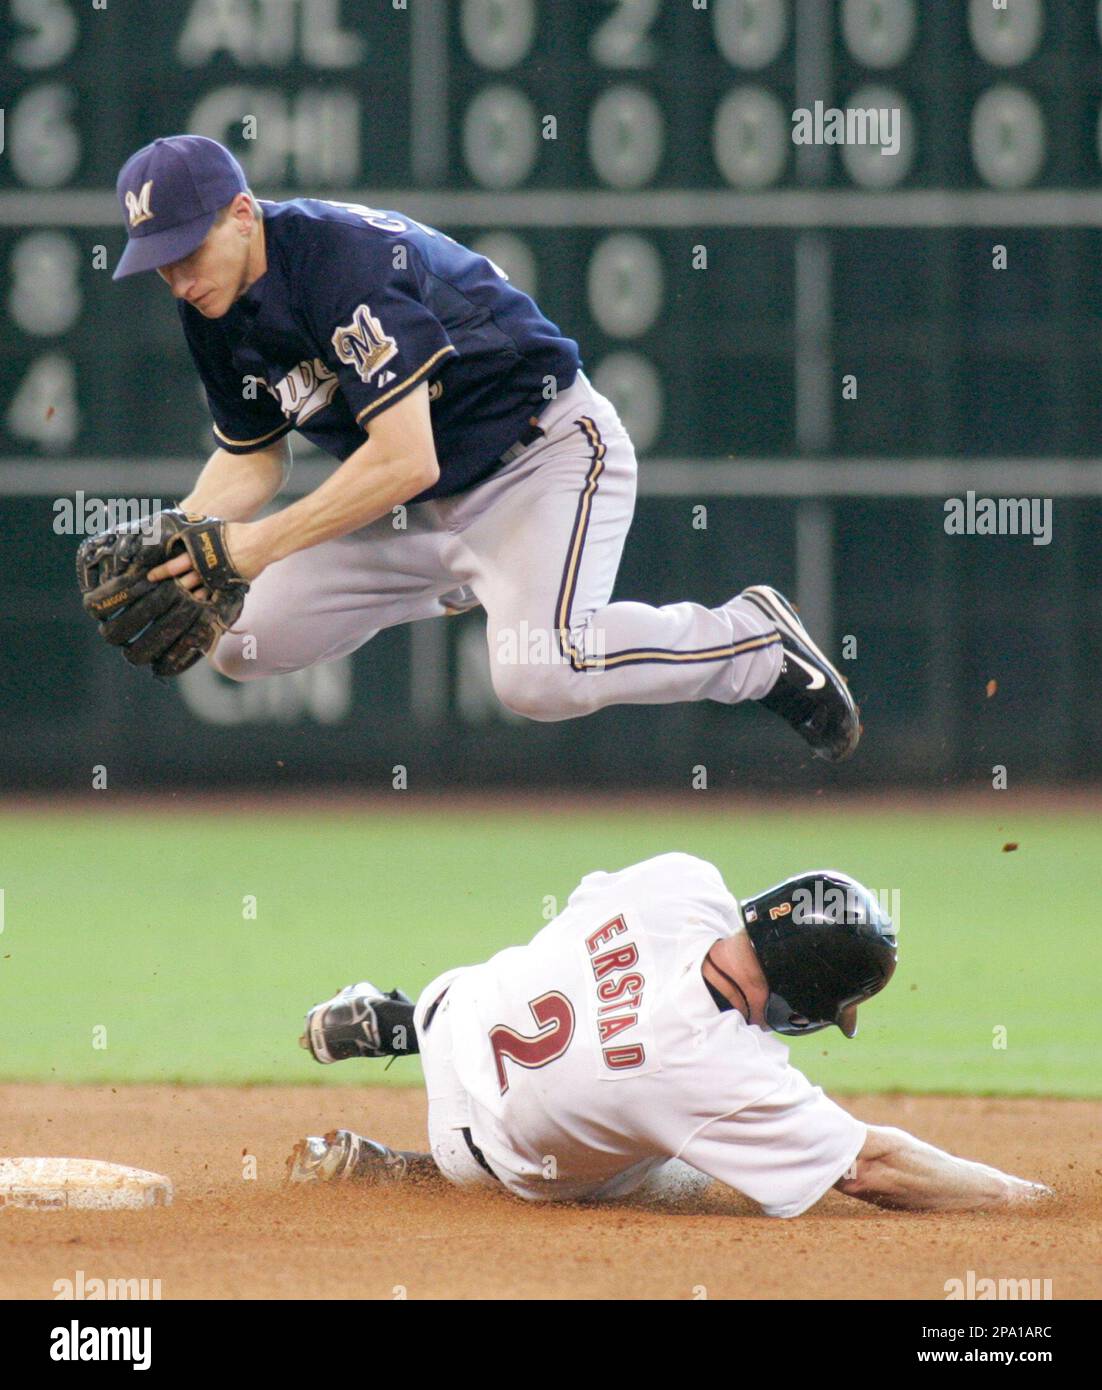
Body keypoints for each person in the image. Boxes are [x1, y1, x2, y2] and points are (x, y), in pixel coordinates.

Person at [107, 133, 858, 759]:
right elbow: (253, 454)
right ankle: (473, 580)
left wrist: (248, 549)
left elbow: (407, 458)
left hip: (542, 456)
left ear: (242, 214)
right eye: (159, 260)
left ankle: (752, 645)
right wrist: (179, 539)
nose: (176, 279)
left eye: (186, 249)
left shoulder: (339, 260)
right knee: (240, 640)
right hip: (417, 507)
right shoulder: (211, 304)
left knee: (539, 677)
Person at [286, 854, 1052, 1215]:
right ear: (811, 993)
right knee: (706, 1171)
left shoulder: (685, 880)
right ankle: (401, 1169)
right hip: (487, 1160)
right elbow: (869, 1167)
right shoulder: (724, 1072)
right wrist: (1019, 1196)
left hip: (459, 1009)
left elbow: (579, 915)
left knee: (556, 999)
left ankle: (391, 1021)